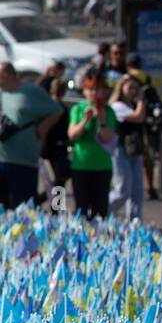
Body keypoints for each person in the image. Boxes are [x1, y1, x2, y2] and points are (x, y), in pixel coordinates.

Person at [0, 62, 62, 210]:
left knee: (23, 210)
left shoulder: (31, 92)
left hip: (22, 161)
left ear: (7, 75)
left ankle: (56, 209)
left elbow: (56, 110)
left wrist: (42, 129)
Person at [67, 75, 117, 220]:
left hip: (102, 166)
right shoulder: (78, 109)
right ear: (84, 91)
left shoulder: (108, 111)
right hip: (81, 166)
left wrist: (101, 121)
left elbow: (107, 138)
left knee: (100, 211)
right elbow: (72, 135)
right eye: (91, 90)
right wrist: (86, 119)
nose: (94, 93)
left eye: (98, 90)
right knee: (81, 210)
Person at [109, 74, 148, 222]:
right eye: (130, 87)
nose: (133, 91)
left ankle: (135, 221)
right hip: (120, 150)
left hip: (134, 151)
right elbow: (138, 117)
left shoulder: (134, 105)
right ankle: (102, 210)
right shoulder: (117, 105)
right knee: (122, 190)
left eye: (136, 88)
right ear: (121, 88)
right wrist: (141, 102)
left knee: (137, 192)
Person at [126, 52, 161, 200]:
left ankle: (131, 186)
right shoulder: (146, 79)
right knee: (148, 157)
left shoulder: (127, 77)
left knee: (131, 157)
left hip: (131, 124)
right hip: (146, 125)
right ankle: (150, 187)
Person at [37, 74, 71, 210]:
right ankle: (54, 208)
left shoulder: (48, 106)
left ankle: (47, 204)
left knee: (53, 181)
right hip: (56, 149)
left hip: (49, 149)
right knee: (58, 181)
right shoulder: (63, 108)